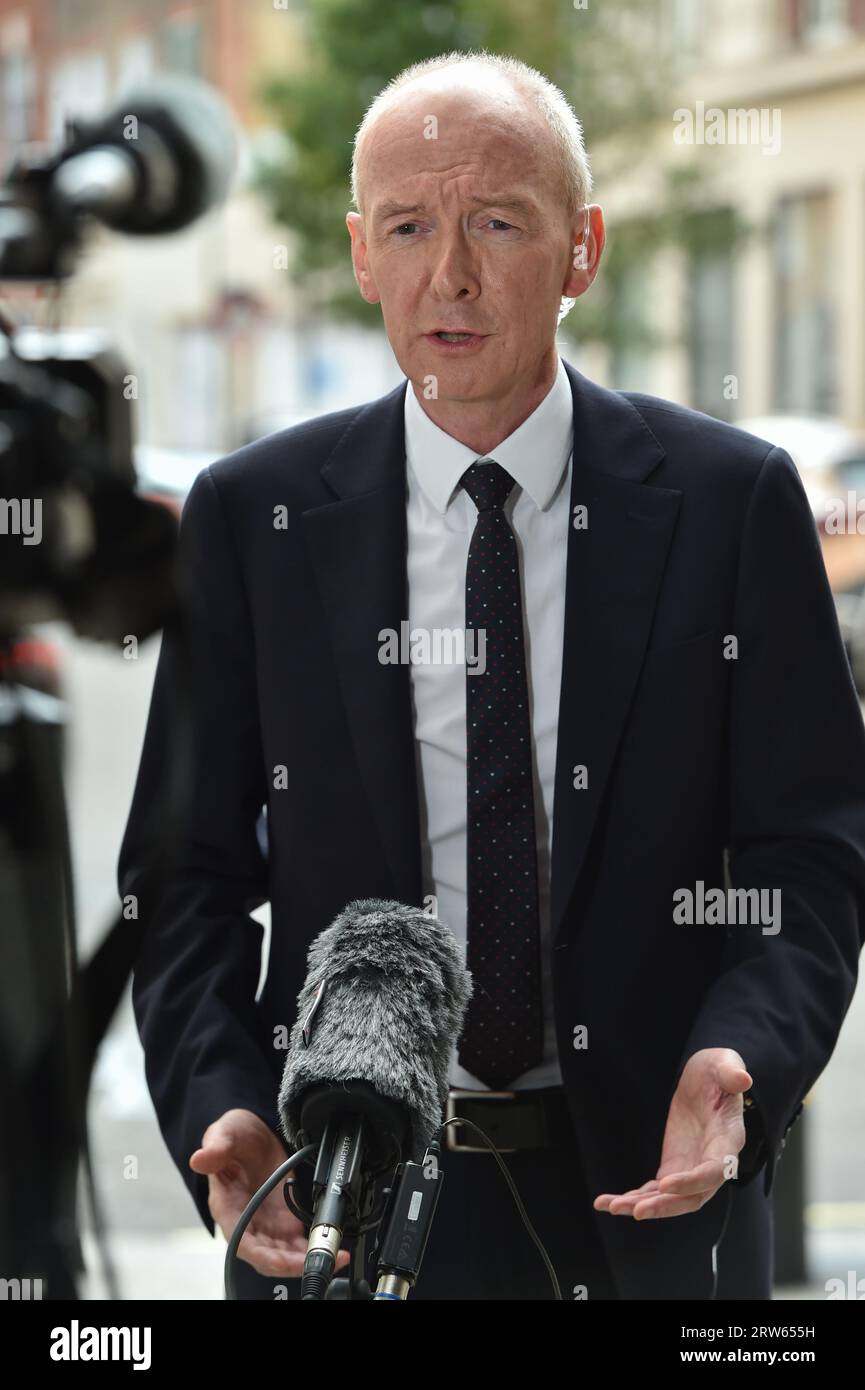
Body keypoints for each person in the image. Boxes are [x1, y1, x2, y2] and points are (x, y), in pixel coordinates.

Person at [119, 51, 865, 1301]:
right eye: (409, 227)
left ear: (581, 250)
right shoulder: (253, 517)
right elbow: (182, 881)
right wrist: (225, 1099)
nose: (448, 274)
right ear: (362, 255)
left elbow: (812, 849)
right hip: (336, 1199)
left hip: (641, 1200)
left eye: (498, 224)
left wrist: (744, 1049)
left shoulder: (731, 502)